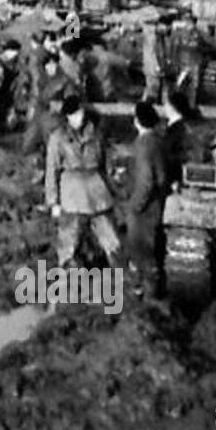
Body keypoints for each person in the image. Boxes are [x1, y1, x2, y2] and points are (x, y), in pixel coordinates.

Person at [44, 94, 122, 267]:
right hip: (71, 194)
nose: (78, 117)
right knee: (68, 244)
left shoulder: (97, 134)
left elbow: (106, 164)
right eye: (74, 114)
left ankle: (122, 282)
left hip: (97, 192)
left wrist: (114, 189)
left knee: (113, 242)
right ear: (67, 117)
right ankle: (67, 281)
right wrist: (53, 202)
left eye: (80, 113)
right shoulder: (58, 138)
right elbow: (52, 170)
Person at [126, 100, 169, 293]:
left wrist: (136, 205)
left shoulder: (143, 144)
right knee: (151, 246)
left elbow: (146, 180)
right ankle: (151, 287)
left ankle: (145, 289)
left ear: (137, 121)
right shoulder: (159, 139)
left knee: (140, 248)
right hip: (158, 201)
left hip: (145, 206)